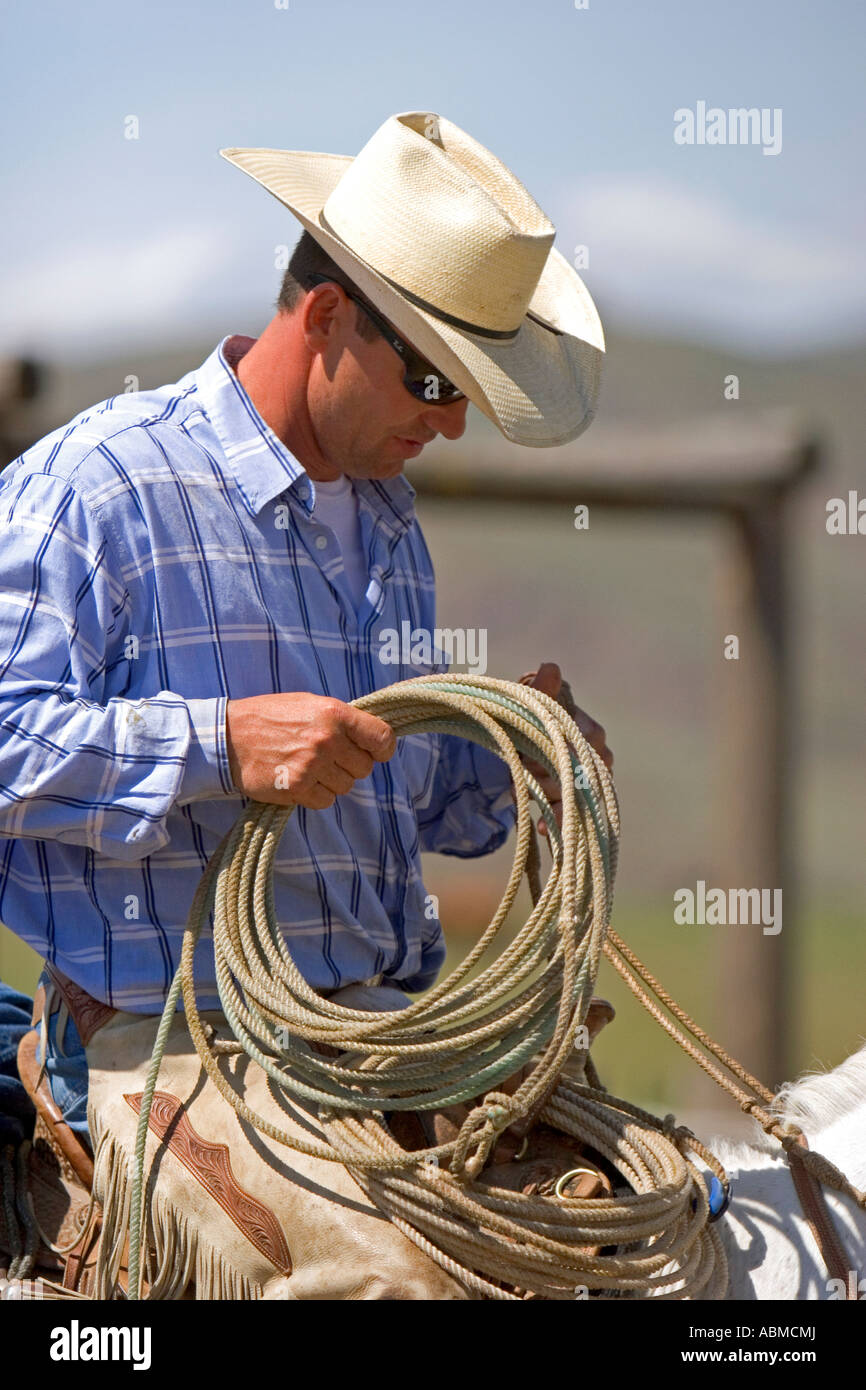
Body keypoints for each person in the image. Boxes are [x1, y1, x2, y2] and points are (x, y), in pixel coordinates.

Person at [0, 109, 611, 1295]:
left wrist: (508, 757)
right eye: (434, 378)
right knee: (407, 1282)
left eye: (467, 393)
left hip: (383, 1047)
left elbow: (392, 795)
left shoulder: (383, 523)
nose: (444, 422)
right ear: (324, 317)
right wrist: (221, 744)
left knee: (632, 1230)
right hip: (164, 1058)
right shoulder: (96, 488)